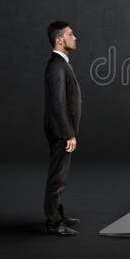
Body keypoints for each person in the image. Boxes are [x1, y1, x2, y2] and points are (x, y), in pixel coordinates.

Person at [43, 21, 82, 236]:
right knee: (57, 178)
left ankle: (59, 214)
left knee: (60, 176)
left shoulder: (61, 63)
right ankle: (52, 223)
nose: (74, 37)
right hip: (60, 132)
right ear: (60, 40)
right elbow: (58, 104)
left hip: (62, 130)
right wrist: (69, 133)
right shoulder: (56, 65)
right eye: (70, 34)